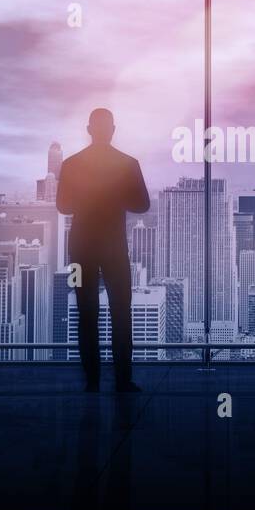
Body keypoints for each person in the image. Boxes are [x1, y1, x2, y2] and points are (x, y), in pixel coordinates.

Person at [55, 108, 151, 392]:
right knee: (121, 312)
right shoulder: (127, 163)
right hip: (114, 248)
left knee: (87, 313)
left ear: (88, 129)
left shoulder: (72, 164)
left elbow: (63, 207)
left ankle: (92, 381)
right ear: (113, 129)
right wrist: (116, 193)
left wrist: (88, 197)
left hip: (82, 247)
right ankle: (123, 379)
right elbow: (142, 205)